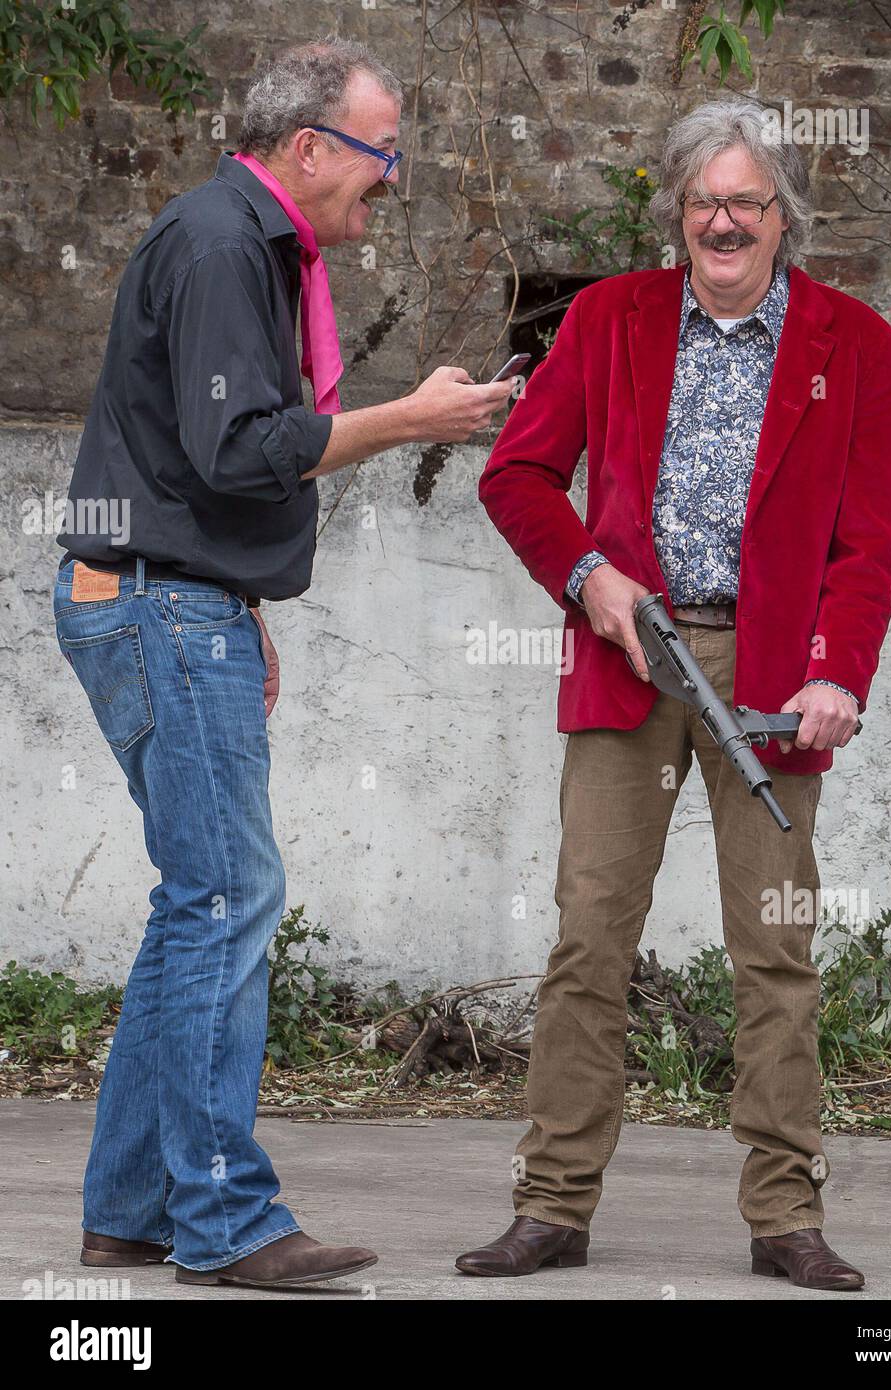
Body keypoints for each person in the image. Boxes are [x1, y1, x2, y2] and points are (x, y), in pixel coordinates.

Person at [56, 37, 514, 1291]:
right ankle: (225, 1222)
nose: (393, 179)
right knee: (226, 900)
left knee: (194, 901)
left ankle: (131, 1209)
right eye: (381, 153)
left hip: (162, 592)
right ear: (307, 147)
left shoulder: (239, 240)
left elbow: (181, 457)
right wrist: (409, 421)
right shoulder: (218, 242)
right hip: (154, 603)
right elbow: (237, 446)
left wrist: (237, 596)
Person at [459, 96, 891, 1289]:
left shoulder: (853, 343)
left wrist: (836, 674)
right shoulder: (607, 318)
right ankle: (551, 1205)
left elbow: (866, 546)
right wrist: (587, 573)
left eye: (744, 202)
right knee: (587, 939)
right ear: (676, 213)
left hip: (772, 682)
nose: (721, 220)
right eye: (702, 200)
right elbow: (516, 474)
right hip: (628, 659)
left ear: (782, 219)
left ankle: (783, 1218)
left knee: (774, 952)